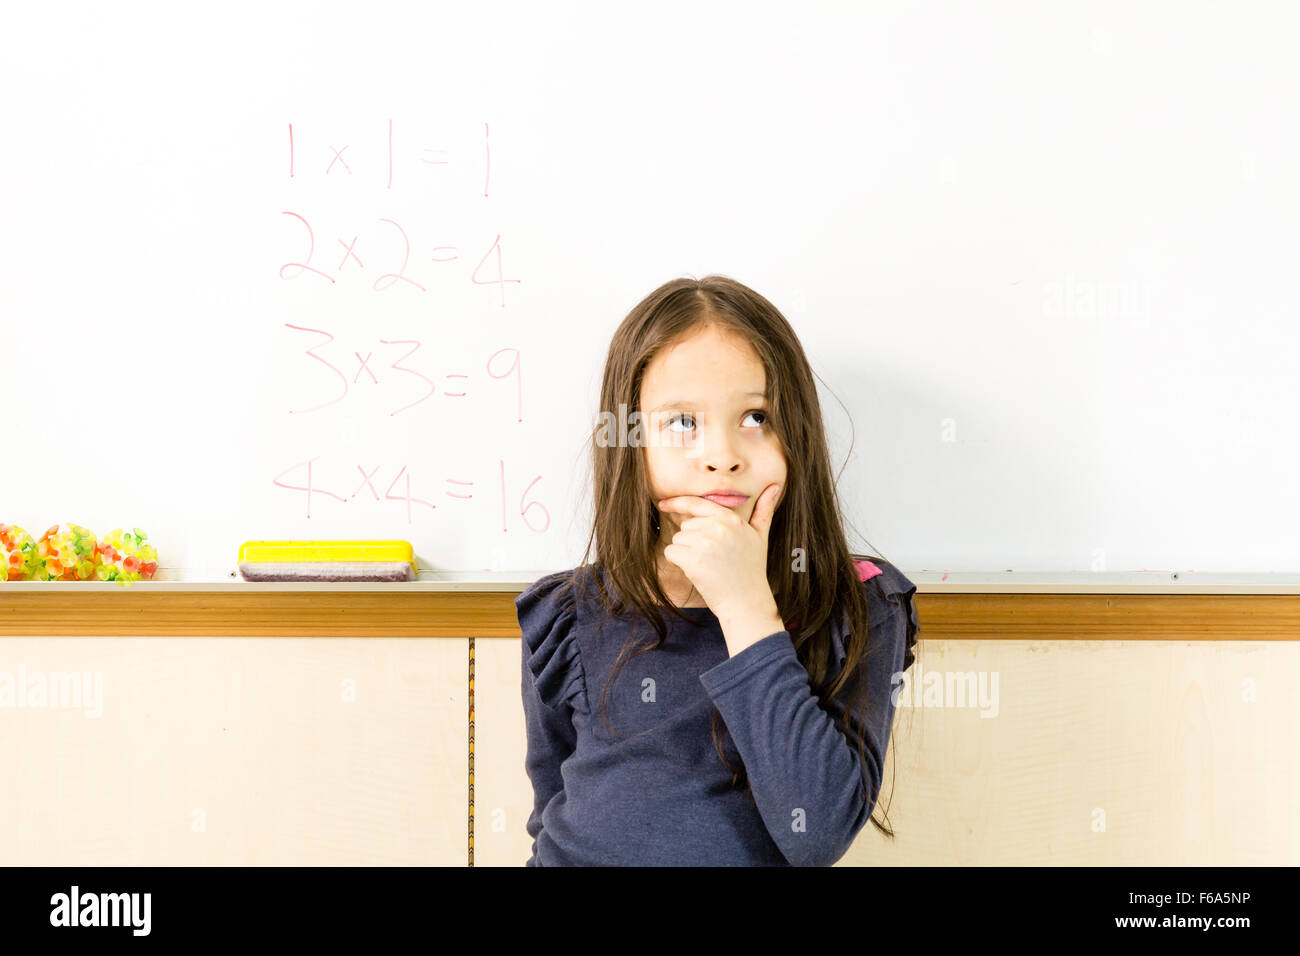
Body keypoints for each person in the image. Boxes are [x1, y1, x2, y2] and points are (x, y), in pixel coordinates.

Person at [516, 274, 920, 866]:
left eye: (756, 417)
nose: (722, 455)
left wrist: (745, 607)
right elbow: (551, 803)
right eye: (682, 423)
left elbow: (818, 834)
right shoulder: (568, 615)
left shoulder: (858, 604)